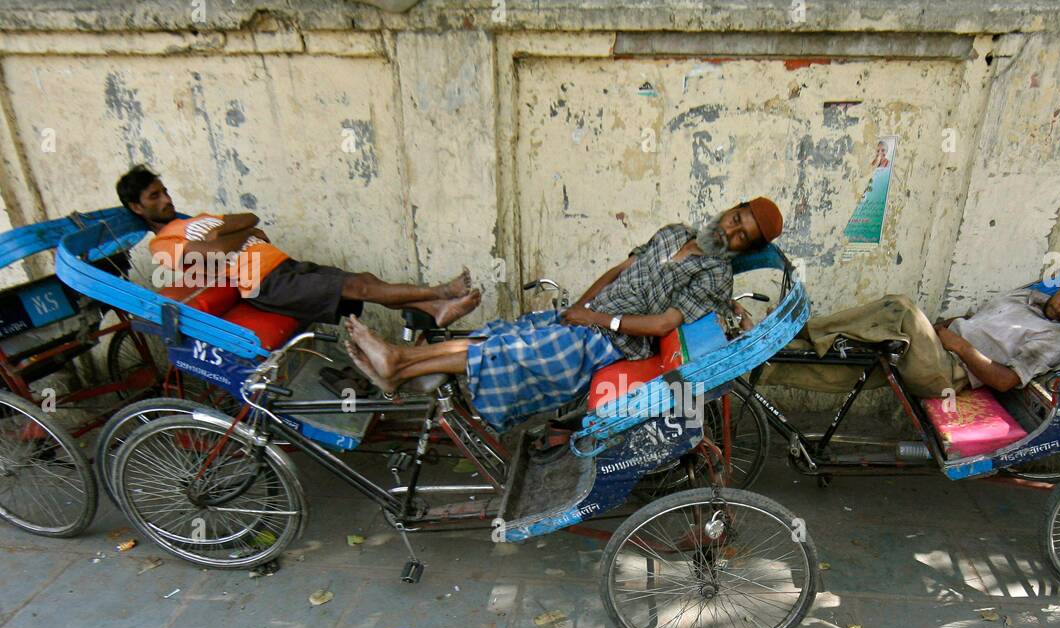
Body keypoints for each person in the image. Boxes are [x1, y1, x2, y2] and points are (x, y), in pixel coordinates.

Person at [345, 198, 785, 430]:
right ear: (730, 209)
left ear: (745, 248)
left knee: (507, 352)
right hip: (588, 319)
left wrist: (598, 321)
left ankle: (399, 362)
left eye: (741, 236)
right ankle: (398, 368)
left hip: (610, 342)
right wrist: (581, 306)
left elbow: (664, 324)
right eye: (735, 219)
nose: (729, 231)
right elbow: (619, 271)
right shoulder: (674, 232)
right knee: (497, 338)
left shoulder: (713, 275)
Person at [114, 165, 480, 327]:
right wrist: (235, 237)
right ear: (137, 207)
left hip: (282, 266)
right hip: (267, 284)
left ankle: (434, 309)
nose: (166, 199)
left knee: (365, 279)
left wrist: (224, 231)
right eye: (154, 196)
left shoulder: (195, 221)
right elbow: (220, 251)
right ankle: (441, 293)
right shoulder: (163, 244)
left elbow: (251, 218)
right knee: (360, 287)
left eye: (164, 191)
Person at [764, 284, 1060, 396]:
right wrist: (949, 327)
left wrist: (958, 345)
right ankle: (763, 363)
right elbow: (977, 319)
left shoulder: (1056, 340)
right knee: (850, 365)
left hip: (947, 373)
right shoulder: (1028, 298)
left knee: (901, 307)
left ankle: (794, 328)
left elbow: (1006, 380)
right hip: (934, 350)